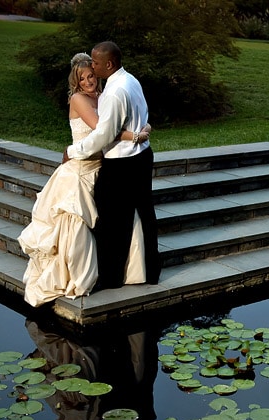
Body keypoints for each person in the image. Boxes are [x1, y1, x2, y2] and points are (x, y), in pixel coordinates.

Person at [18, 52, 150, 307]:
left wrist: (144, 127)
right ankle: (77, 276)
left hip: (103, 166)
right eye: (83, 78)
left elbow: (122, 120)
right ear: (76, 81)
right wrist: (137, 135)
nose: (89, 81)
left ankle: (126, 272)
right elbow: (104, 129)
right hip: (79, 169)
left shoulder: (104, 96)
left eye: (91, 75)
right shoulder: (78, 99)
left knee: (119, 218)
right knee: (77, 223)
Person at [64, 41, 161, 289]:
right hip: (142, 156)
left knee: (110, 221)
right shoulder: (130, 80)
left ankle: (111, 278)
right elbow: (144, 114)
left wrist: (73, 150)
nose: (92, 68)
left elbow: (104, 134)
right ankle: (151, 272)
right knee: (145, 214)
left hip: (122, 162)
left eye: (95, 63)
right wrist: (142, 132)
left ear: (109, 64)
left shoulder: (115, 92)